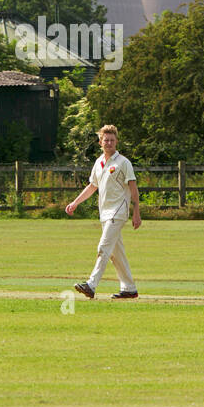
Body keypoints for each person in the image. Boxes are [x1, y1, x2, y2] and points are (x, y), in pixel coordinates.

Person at [66, 125, 141, 299]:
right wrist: (75, 202)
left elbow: (133, 187)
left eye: (112, 140)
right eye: (106, 140)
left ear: (116, 142)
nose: (109, 143)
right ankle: (129, 288)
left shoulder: (123, 163)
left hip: (118, 211)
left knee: (103, 247)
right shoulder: (99, 162)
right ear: (100, 142)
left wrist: (136, 212)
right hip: (105, 213)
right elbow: (93, 186)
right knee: (116, 253)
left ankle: (91, 285)